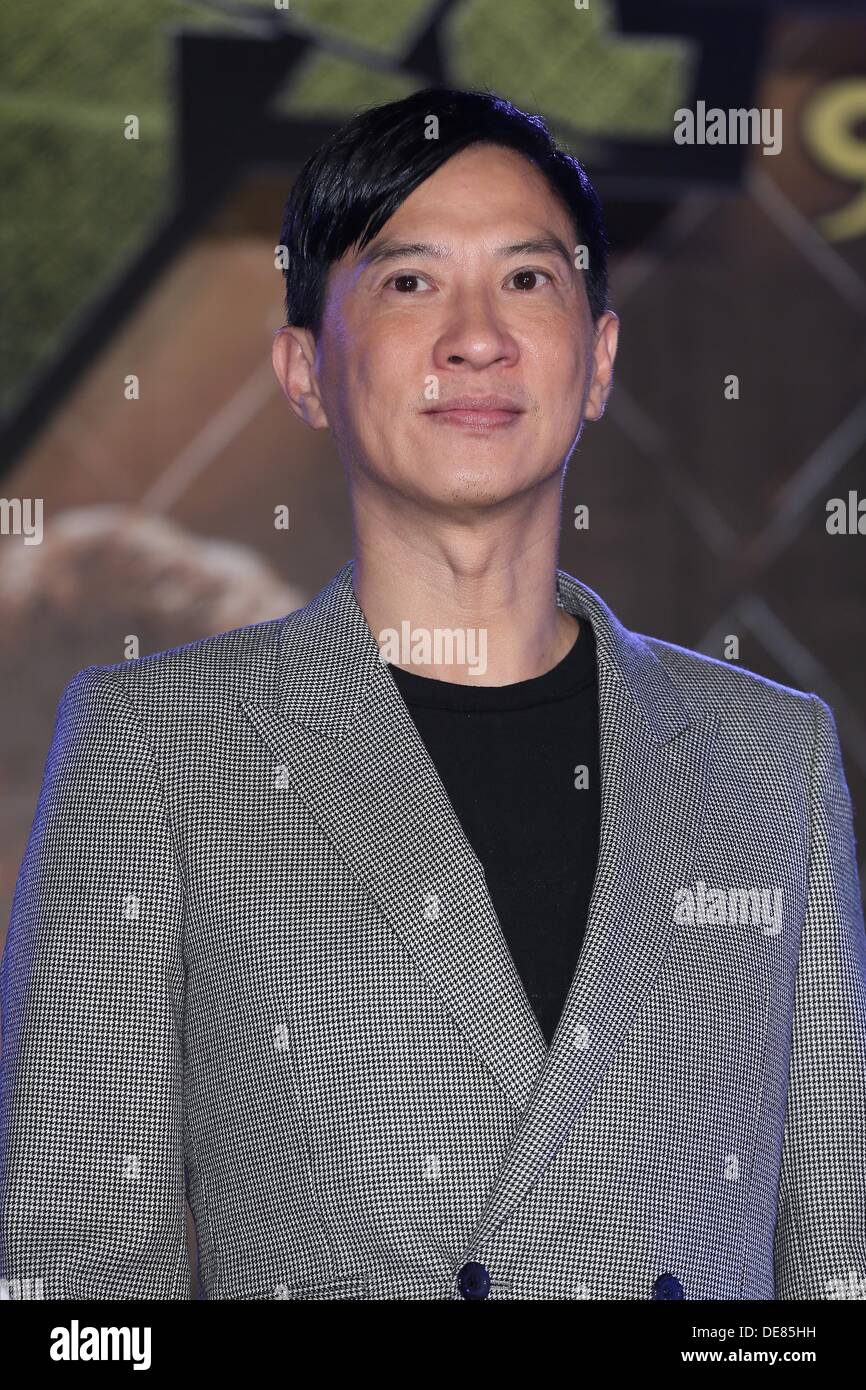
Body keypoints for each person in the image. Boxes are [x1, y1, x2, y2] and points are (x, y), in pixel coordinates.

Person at [1, 87, 864, 1302]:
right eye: (409, 282)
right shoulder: (153, 748)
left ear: (599, 357)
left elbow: (836, 1263)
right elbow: (74, 1285)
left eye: (525, 280)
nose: (476, 337)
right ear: (303, 368)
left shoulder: (768, 757)